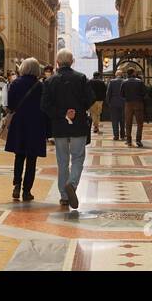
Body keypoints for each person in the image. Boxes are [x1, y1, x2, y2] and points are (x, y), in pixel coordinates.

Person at [42, 49, 94, 209]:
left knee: (62, 161)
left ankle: (64, 197)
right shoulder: (81, 78)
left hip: (59, 126)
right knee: (78, 157)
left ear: (57, 62)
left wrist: (62, 114)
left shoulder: (50, 81)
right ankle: (71, 184)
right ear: (72, 62)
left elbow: (44, 105)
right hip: (78, 124)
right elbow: (90, 98)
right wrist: (76, 111)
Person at [4, 58, 48, 201]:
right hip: (35, 125)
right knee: (31, 159)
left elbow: (10, 104)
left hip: (19, 124)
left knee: (19, 155)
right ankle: (27, 191)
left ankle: (16, 185)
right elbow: (45, 106)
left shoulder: (15, 83)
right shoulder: (40, 86)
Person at [121, 67, 147, 147]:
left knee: (128, 123)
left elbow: (121, 94)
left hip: (128, 104)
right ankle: (138, 140)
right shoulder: (140, 82)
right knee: (140, 123)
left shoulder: (124, 82)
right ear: (133, 73)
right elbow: (144, 93)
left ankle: (129, 141)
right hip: (138, 103)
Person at [106, 68, 126, 141]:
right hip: (123, 103)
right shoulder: (124, 81)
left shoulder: (111, 81)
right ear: (122, 75)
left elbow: (108, 93)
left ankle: (116, 136)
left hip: (113, 103)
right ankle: (123, 135)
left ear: (116, 75)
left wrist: (108, 102)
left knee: (114, 120)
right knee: (123, 120)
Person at [88, 71, 107, 135]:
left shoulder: (89, 82)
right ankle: (96, 126)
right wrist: (104, 98)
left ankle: (95, 126)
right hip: (100, 100)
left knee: (93, 114)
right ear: (98, 76)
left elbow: (87, 91)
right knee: (98, 114)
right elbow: (105, 91)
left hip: (92, 101)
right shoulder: (102, 82)